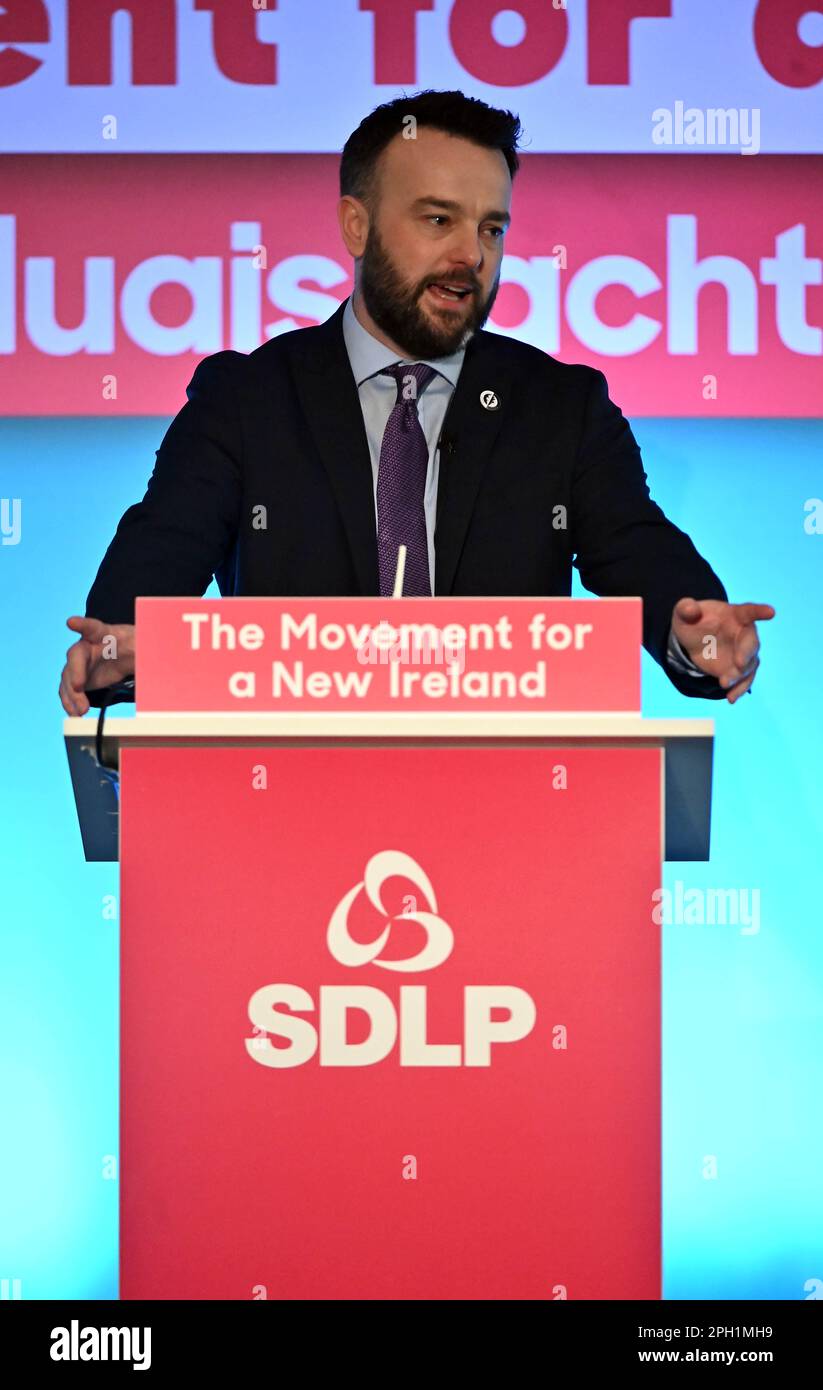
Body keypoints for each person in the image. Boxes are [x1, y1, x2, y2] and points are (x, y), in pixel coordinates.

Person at [59, 89, 773, 717]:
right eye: (438, 221)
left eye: (491, 228)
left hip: (512, 818)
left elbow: (636, 548)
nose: (471, 254)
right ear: (356, 226)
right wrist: (119, 647)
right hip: (286, 809)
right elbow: (157, 564)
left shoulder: (560, 407)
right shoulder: (247, 400)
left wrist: (700, 635)